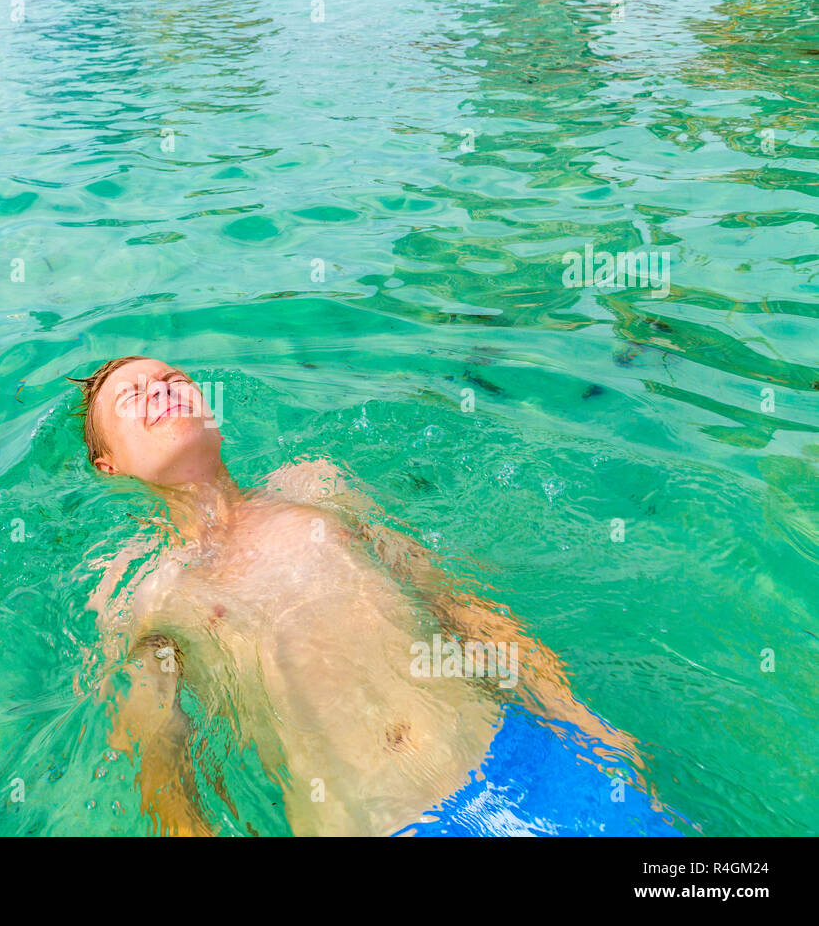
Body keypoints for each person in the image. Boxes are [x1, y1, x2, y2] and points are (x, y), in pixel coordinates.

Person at [71, 355, 663, 836]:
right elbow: (161, 758)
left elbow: (457, 605)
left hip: (526, 757)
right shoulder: (143, 593)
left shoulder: (316, 486)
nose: (162, 390)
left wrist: (575, 715)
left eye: (174, 380)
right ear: (108, 463)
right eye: (133, 396)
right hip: (386, 820)